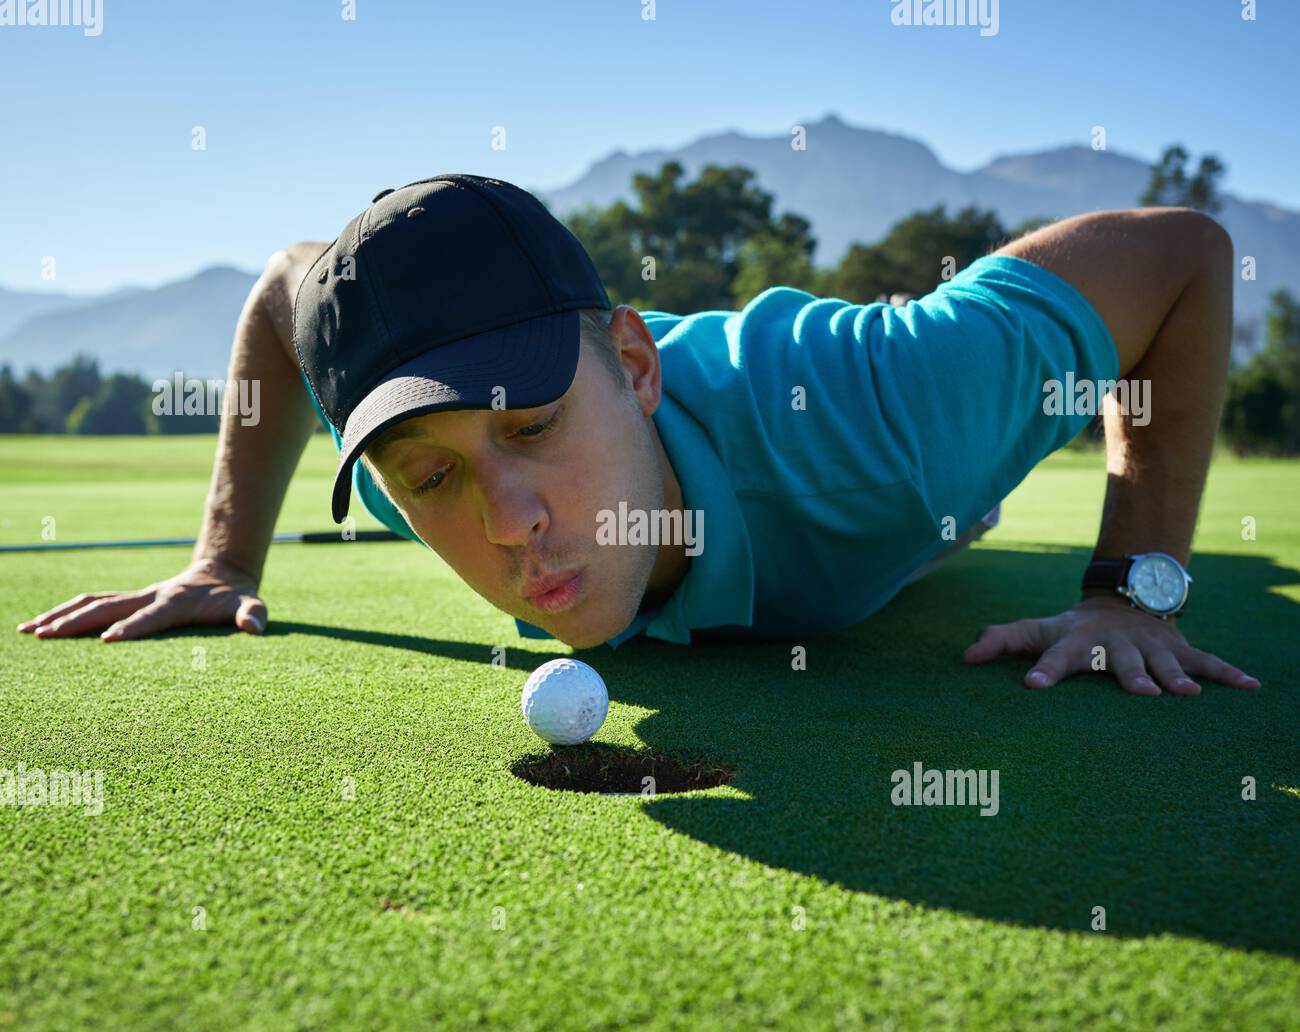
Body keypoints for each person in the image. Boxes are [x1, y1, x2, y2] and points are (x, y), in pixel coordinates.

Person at [18, 174, 1260, 697]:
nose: (508, 526)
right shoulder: (412, 466)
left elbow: (1182, 255)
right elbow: (290, 288)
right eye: (438, 470)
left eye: (536, 422)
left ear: (629, 363)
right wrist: (225, 562)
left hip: (889, 469)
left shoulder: (896, 409)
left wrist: (1131, 592)